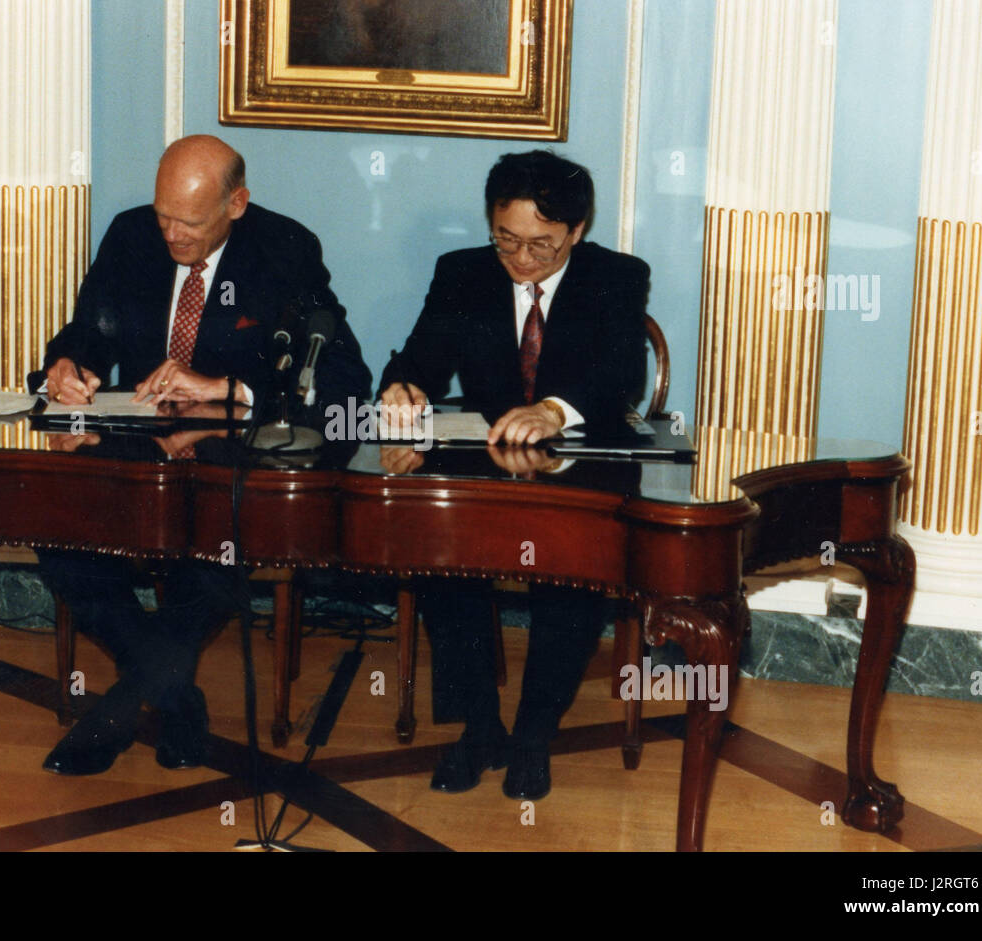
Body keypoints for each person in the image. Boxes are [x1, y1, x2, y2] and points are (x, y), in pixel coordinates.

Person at [38, 134, 372, 775]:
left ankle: (127, 702)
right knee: (60, 530)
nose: (172, 235)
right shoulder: (132, 236)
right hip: (132, 449)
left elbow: (343, 379)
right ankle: (173, 692)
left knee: (214, 541)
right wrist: (69, 366)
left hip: (230, 458)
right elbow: (88, 330)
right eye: (163, 215)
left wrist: (230, 390)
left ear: (236, 204)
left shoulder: (284, 250)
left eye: (189, 222)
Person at [379, 149, 649, 799]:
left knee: (574, 575)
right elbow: (417, 360)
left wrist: (553, 410)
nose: (522, 261)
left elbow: (622, 376)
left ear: (576, 232)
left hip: (580, 465)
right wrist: (402, 392)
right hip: (486, 472)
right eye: (507, 240)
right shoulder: (463, 273)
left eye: (541, 245)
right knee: (442, 558)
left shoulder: (616, 276)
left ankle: (533, 732)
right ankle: (478, 727)